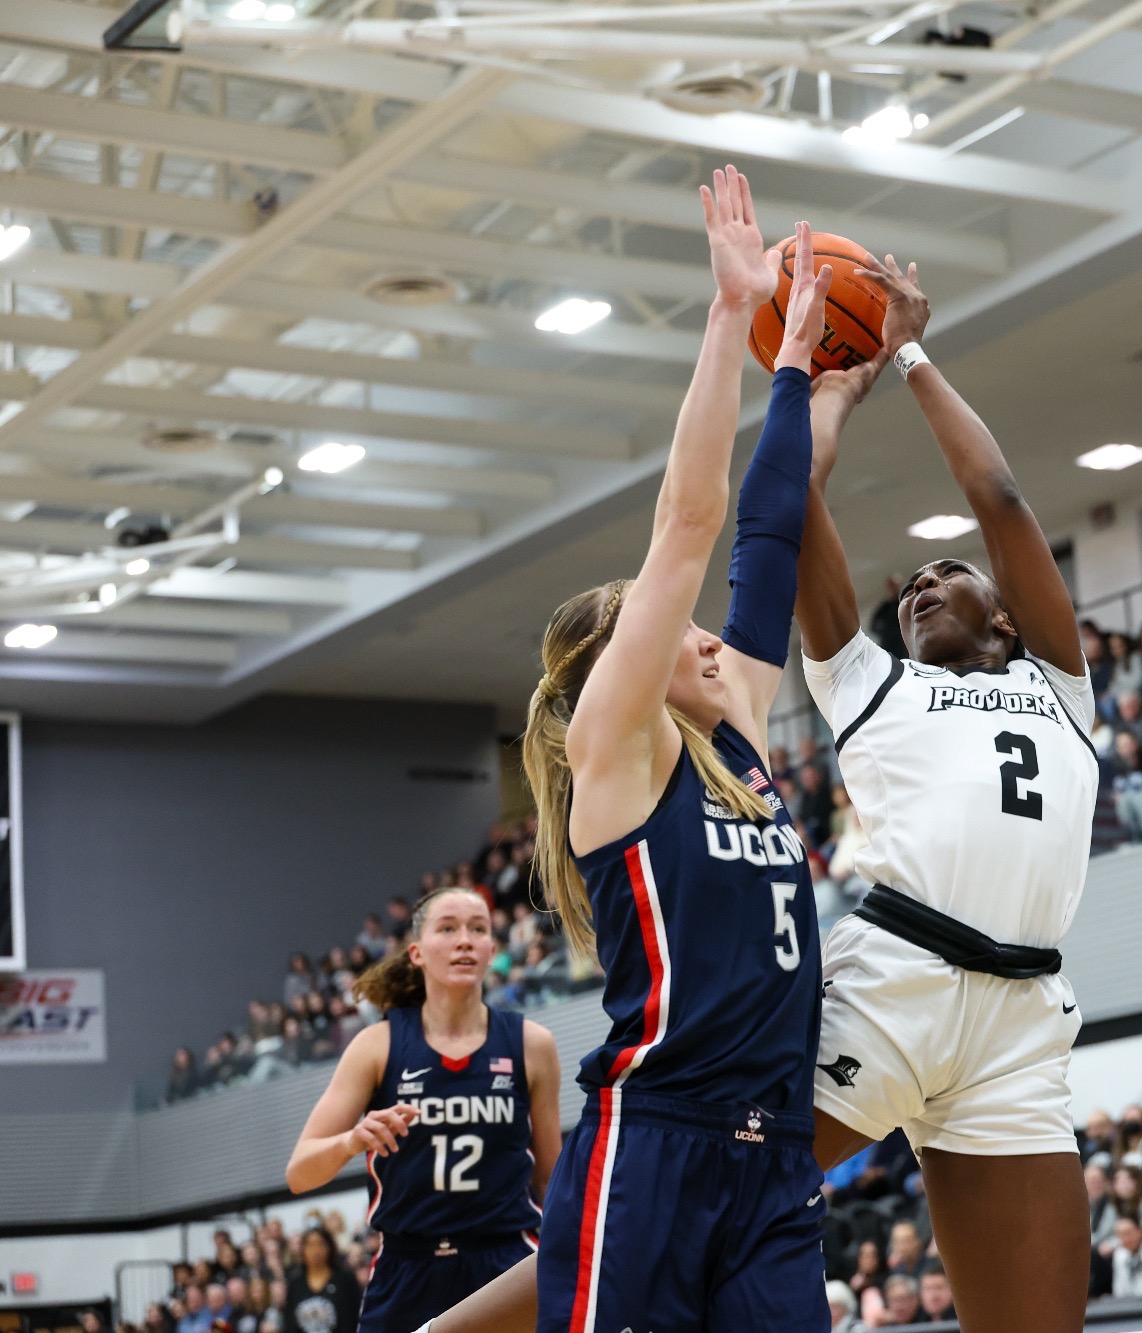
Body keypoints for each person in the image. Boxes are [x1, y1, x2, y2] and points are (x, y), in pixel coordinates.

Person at [420, 180, 844, 1333]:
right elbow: (693, 526)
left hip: (773, 1154)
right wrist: (727, 320)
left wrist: (801, 368)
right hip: (655, 1140)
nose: (711, 638)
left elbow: (767, 533)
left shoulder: (736, 730)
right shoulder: (618, 755)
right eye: (676, 629)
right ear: (616, 665)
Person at [793, 246, 1102, 1331]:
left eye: (946, 571)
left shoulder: (1060, 688)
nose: (921, 580)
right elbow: (788, 499)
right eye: (913, 582)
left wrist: (909, 349)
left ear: (1005, 617)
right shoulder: (867, 684)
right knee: (683, 1211)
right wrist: (817, 386)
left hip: (1020, 1020)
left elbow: (1000, 493)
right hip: (892, 984)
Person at [284, 887, 560, 1333]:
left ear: (493, 949)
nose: (465, 940)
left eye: (478, 929)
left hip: (505, 1262)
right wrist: (352, 1139)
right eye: (448, 928)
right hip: (406, 1266)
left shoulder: (532, 1044)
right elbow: (300, 1172)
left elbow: (551, 1179)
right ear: (416, 952)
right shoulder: (378, 1044)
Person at [282, 1229, 360, 1333]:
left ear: (330, 1247)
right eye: (310, 1245)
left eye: (321, 1244)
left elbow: (355, 1317)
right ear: (302, 1250)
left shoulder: (345, 1279)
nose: (315, 1250)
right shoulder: (295, 1284)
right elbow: (289, 1323)